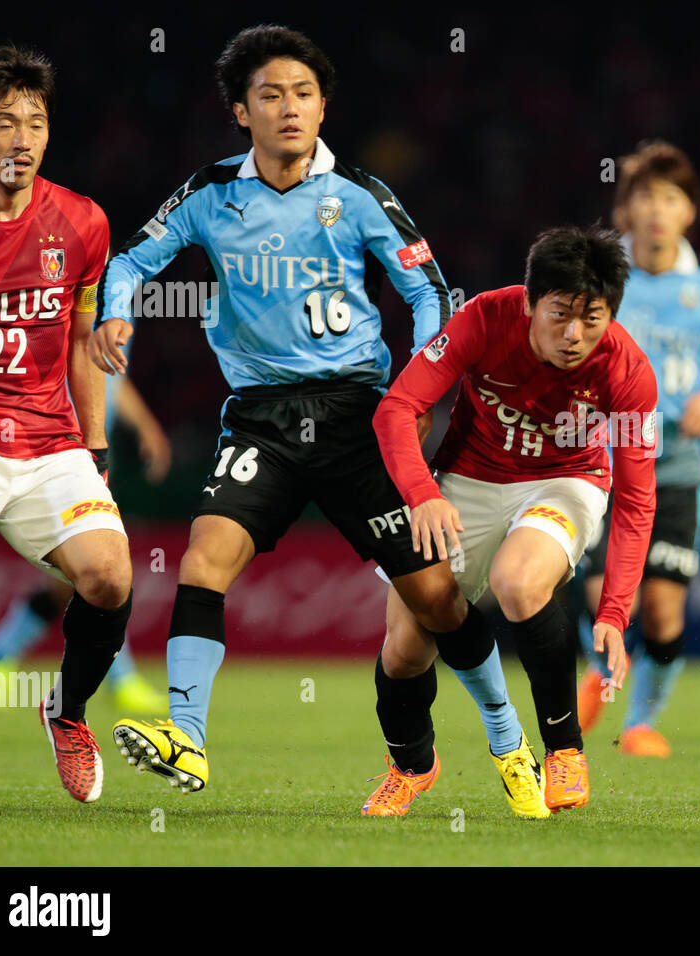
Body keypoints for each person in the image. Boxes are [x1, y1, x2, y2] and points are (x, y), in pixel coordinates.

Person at [90, 26, 527, 802]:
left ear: (323, 105)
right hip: (259, 417)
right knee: (203, 561)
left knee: (434, 599)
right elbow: (128, 261)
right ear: (239, 111)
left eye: (302, 93)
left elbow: (429, 291)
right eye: (270, 95)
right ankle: (188, 739)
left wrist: (419, 389)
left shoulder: (358, 195)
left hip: (358, 414)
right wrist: (117, 313)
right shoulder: (209, 194)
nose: (289, 108)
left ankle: (506, 741)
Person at [369, 225, 657, 813]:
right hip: (467, 480)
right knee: (404, 649)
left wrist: (615, 609)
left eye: (592, 318)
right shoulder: (483, 318)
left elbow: (635, 498)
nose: (574, 335)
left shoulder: (629, 373)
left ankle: (564, 751)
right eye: (559, 314)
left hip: (566, 481)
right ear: (529, 303)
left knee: (519, 582)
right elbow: (398, 408)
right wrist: (422, 492)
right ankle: (412, 765)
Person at [0, 46, 133, 802]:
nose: (22, 138)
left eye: (35, 123)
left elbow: (80, 341)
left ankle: (67, 713)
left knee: (111, 575)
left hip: (49, 440)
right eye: (5, 123)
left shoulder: (84, 222)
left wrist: (94, 448)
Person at [575, 142, 700, 756]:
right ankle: (599, 677)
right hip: (600, 455)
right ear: (624, 211)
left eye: (671, 198)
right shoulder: (599, 279)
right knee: (598, 590)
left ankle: (642, 723)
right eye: (645, 197)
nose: (657, 210)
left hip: (676, 460)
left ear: (690, 213)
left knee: (661, 610)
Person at [0, 372, 170, 714]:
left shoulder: (117, 319)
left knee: (92, 574)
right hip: (52, 451)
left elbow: (111, 372)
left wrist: (146, 427)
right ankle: (119, 679)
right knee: (96, 571)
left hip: (88, 449)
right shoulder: (73, 318)